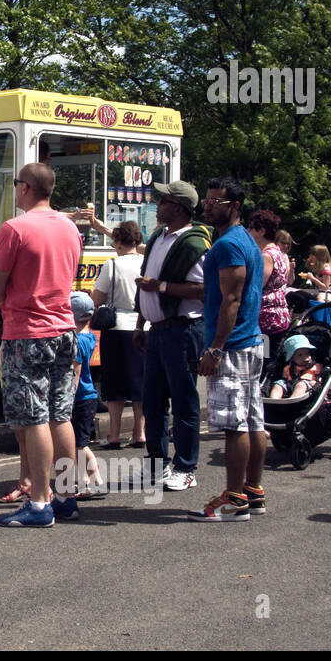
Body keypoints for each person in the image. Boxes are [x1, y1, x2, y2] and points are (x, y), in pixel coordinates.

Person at [0, 163, 82, 527]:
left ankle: (39, 503)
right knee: (60, 413)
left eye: (16, 184)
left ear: (26, 188)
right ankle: (66, 496)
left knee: (33, 416)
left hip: (27, 331)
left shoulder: (15, 229)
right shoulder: (70, 228)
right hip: (64, 328)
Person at [188, 177, 266, 522]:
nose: (207, 206)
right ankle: (253, 491)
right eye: (206, 201)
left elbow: (231, 300)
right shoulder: (243, 240)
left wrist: (216, 348)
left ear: (235, 206)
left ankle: (235, 500)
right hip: (249, 342)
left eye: (215, 202)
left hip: (232, 346)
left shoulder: (230, 245)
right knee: (252, 420)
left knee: (236, 425)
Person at [134, 181, 210, 492]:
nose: (157, 205)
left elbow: (205, 290)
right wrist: (141, 323)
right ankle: (156, 463)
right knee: (152, 401)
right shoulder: (158, 238)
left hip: (183, 329)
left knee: (183, 401)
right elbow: (145, 284)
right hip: (157, 330)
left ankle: (186, 466)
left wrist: (161, 287)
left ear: (178, 207)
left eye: (163, 200)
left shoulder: (195, 244)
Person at [90, 220, 145, 449]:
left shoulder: (112, 265)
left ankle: (113, 435)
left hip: (117, 327)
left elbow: (97, 299)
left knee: (115, 384)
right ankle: (140, 433)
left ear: (118, 242)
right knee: (141, 383)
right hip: (144, 326)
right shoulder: (146, 263)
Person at [69, 292, 108, 499]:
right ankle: (89, 482)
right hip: (88, 397)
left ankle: (94, 482)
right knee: (78, 444)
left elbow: (75, 372)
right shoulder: (89, 336)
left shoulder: (76, 341)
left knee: (80, 445)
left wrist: (69, 398)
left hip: (80, 398)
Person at [247, 209, 290, 358]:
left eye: (251, 228)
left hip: (267, 321)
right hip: (278, 317)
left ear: (261, 231)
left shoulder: (266, 255)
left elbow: (257, 287)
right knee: (270, 362)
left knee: (263, 362)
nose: (248, 231)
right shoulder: (278, 252)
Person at [298, 244, 331, 327]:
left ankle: (319, 322)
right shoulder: (319, 266)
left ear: (319, 256)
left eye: (312, 254)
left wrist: (312, 278)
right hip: (321, 290)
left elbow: (325, 287)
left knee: (320, 299)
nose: (310, 256)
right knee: (300, 293)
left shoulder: (327, 269)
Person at [269, 335, 321, 399]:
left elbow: (320, 378)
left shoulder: (315, 366)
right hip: (290, 384)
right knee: (278, 384)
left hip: (306, 384)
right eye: (300, 355)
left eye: (307, 353)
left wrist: (316, 382)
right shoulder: (288, 368)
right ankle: (274, 400)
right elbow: (285, 379)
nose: (305, 357)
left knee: (301, 385)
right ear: (292, 358)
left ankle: (292, 400)